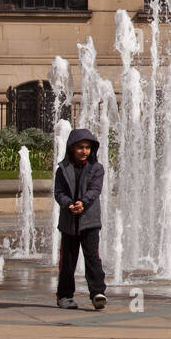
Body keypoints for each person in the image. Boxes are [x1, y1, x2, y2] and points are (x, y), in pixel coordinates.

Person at [53, 127, 107, 311]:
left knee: (92, 258)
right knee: (68, 261)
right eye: (80, 147)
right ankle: (65, 295)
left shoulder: (96, 169)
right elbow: (58, 192)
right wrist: (68, 204)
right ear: (71, 148)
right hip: (69, 222)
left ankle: (98, 292)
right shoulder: (62, 169)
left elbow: (95, 190)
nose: (84, 151)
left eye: (88, 148)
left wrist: (82, 203)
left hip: (89, 221)